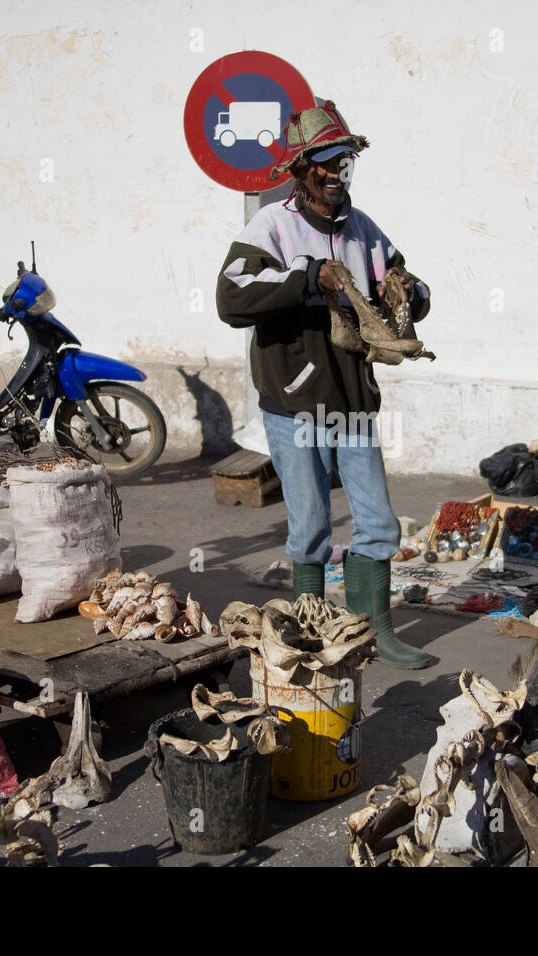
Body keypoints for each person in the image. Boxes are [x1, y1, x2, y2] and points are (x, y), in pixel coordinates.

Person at [216, 101, 433, 669]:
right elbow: (231, 298)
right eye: (328, 165)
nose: (338, 175)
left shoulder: (363, 229)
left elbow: (407, 281)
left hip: (353, 399)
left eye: (346, 164)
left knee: (377, 521)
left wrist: (408, 290)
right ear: (303, 170)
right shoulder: (272, 227)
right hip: (295, 402)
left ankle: (375, 630)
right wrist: (309, 276)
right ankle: (311, 634)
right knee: (310, 523)